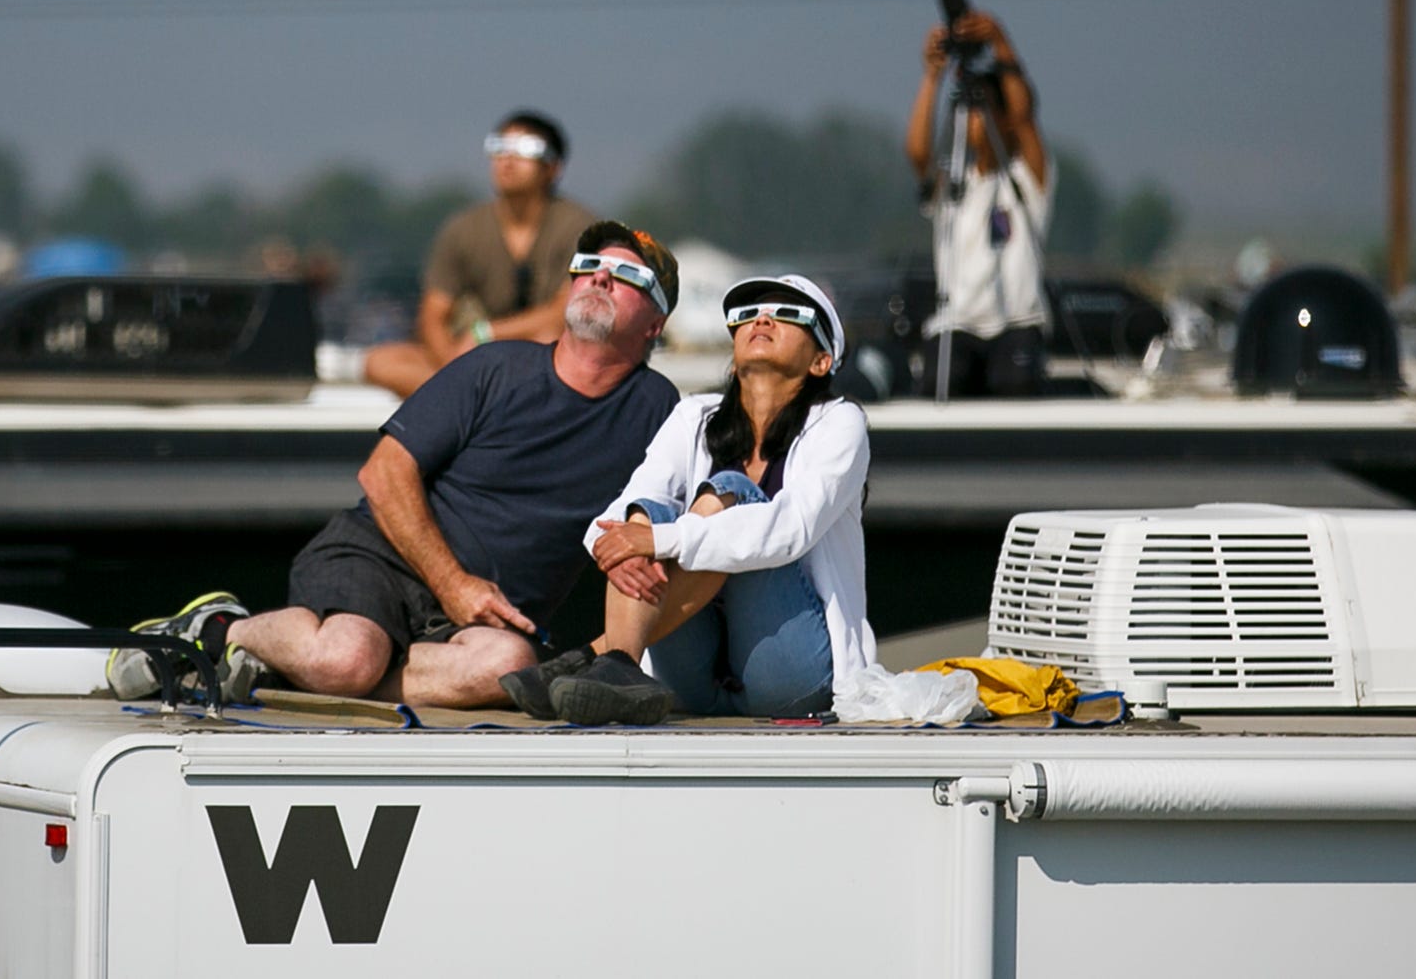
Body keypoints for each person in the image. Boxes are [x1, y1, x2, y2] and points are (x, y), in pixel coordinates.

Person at [111, 222, 682, 709]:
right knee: (347, 657)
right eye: (588, 266)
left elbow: (678, 523)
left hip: (483, 617)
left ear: (656, 323)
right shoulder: (493, 368)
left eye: (629, 275)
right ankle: (214, 631)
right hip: (381, 556)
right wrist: (453, 583)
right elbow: (382, 474)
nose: (601, 277)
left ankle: (280, 669)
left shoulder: (661, 410)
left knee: (508, 667)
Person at [505, 275, 873, 724]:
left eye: (788, 314)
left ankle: (602, 654)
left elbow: (789, 530)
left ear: (821, 360)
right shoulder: (693, 415)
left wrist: (661, 541)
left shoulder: (840, 423)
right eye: (746, 315)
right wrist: (635, 536)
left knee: (732, 492)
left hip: (788, 678)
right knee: (642, 513)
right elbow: (630, 507)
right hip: (687, 680)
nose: (762, 319)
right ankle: (617, 666)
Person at [362, 111, 597, 398]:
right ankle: (479, 400)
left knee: (548, 341)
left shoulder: (579, 228)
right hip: (473, 360)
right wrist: (452, 364)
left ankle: (471, 402)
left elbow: (564, 312)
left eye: (525, 150)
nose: (507, 160)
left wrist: (485, 333)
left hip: (541, 354)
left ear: (553, 167)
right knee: (380, 361)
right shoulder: (462, 228)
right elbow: (433, 316)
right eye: (499, 147)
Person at [905, 7, 1053, 397]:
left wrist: (1001, 42)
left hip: (1016, 320)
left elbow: (1024, 117)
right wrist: (932, 75)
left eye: (984, 106)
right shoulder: (954, 179)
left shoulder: (1025, 176)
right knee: (942, 384)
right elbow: (918, 153)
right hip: (957, 322)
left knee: (1014, 385)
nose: (974, 115)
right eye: (971, 107)